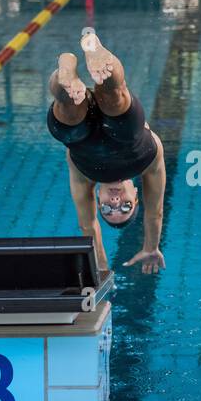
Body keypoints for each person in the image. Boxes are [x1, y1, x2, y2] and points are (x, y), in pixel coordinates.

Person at [46, 31, 166, 274]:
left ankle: (66, 69)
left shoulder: (84, 179)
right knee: (115, 95)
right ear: (135, 193)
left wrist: (100, 267)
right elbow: (155, 213)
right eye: (125, 207)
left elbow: (88, 225)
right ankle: (96, 53)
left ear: (97, 200)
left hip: (79, 138)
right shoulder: (148, 166)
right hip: (129, 135)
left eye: (107, 210)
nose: (114, 202)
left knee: (67, 104)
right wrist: (151, 247)